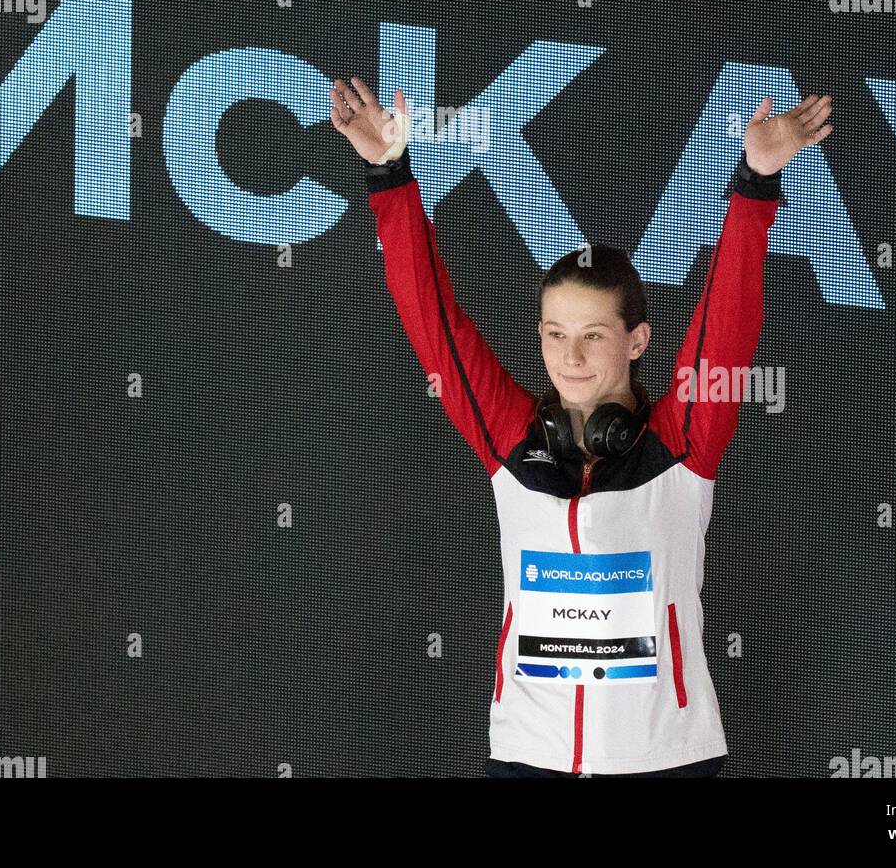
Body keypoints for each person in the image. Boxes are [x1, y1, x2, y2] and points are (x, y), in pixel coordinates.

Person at [329, 77, 833, 777]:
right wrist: (388, 175)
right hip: (526, 757)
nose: (569, 356)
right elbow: (433, 325)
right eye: (554, 333)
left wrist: (754, 187)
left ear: (635, 341)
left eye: (593, 335)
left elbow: (726, 329)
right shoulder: (511, 440)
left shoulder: (681, 445)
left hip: (664, 763)